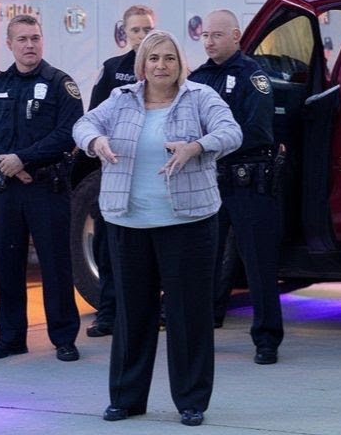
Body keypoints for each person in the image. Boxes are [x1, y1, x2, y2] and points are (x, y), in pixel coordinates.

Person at [73, 30, 241, 428]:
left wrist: (196, 147)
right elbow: (83, 124)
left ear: (180, 63)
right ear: (141, 65)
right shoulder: (121, 99)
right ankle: (126, 399)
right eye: (153, 59)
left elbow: (231, 132)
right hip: (129, 222)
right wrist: (95, 142)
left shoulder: (200, 97)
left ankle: (191, 401)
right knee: (132, 314)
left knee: (188, 315)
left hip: (188, 223)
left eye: (168, 58)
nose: (161, 65)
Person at [0, 14, 84, 362]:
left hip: (46, 188)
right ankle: (10, 338)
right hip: (7, 189)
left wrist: (23, 159)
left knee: (55, 264)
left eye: (35, 38)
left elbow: (68, 132)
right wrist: (5, 161)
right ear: (10, 44)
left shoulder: (60, 83)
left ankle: (64, 338)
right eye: (22, 39)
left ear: (42, 41)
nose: (30, 45)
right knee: (8, 264)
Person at [189, 9, 282, 365]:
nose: (209, 42)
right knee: (204, 261)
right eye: (205, 36)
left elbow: (257, 130)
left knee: (258, 263)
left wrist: (207, 144)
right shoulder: (198, 78)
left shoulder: (252, 76)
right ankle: (202, 331)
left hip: (247, 180)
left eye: (216, 35)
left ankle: (267, 339)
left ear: (236, 36)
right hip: (209, 181)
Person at [85, 4, 156, 338]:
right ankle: (108, 314)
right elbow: (94, 118)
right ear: (124, 33)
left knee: (152, 248)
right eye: (135, 30)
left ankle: (154, 312)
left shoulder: (166, 69)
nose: (142, 36)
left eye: (147, 29)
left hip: (154, 174)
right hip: (116, 172)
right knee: (108, 247)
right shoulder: (113, 69)